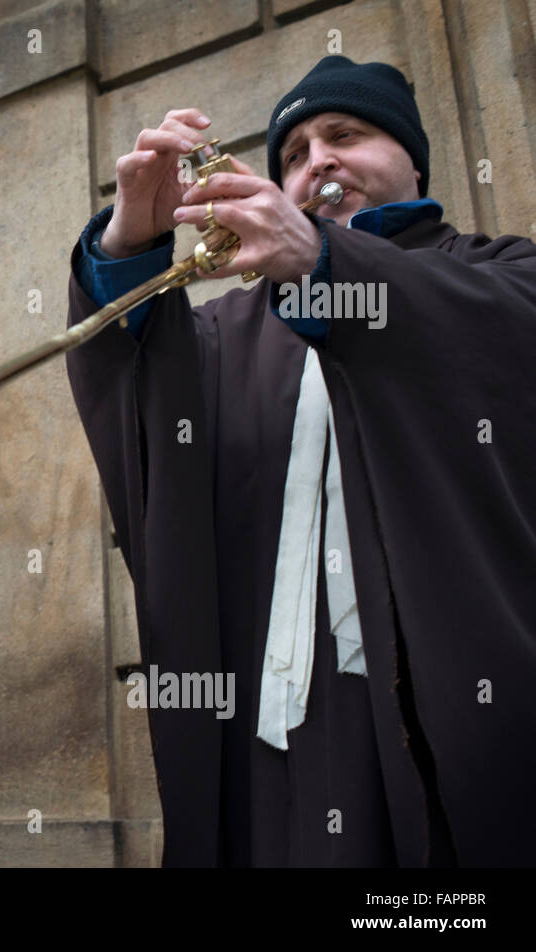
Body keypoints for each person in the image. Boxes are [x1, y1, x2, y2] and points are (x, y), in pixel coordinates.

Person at [65, 56, 536, 866]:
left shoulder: (501, 272)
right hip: (266, 733)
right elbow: (144, 400)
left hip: (442, 720)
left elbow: (490, 342)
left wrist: (327, 267)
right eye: (293, 154)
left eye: (344, 135)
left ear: (413, 162)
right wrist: (127, 253)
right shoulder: (224, 336)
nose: (316, 160)